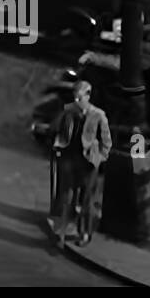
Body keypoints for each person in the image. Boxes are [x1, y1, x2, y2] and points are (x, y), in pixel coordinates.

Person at [51, 80, 112, 249]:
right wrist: (58, 144)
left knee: (87, 200)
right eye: (75, 98)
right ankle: (61, 233)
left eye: (80, 98)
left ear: (88, 95)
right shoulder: (68, 111)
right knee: (66, 197)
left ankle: (84, 233)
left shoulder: (98, 115)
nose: (77, 102)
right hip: (70, 159)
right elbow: (57, 130)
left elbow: (106, 141)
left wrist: (100, 158)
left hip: (89, 163)